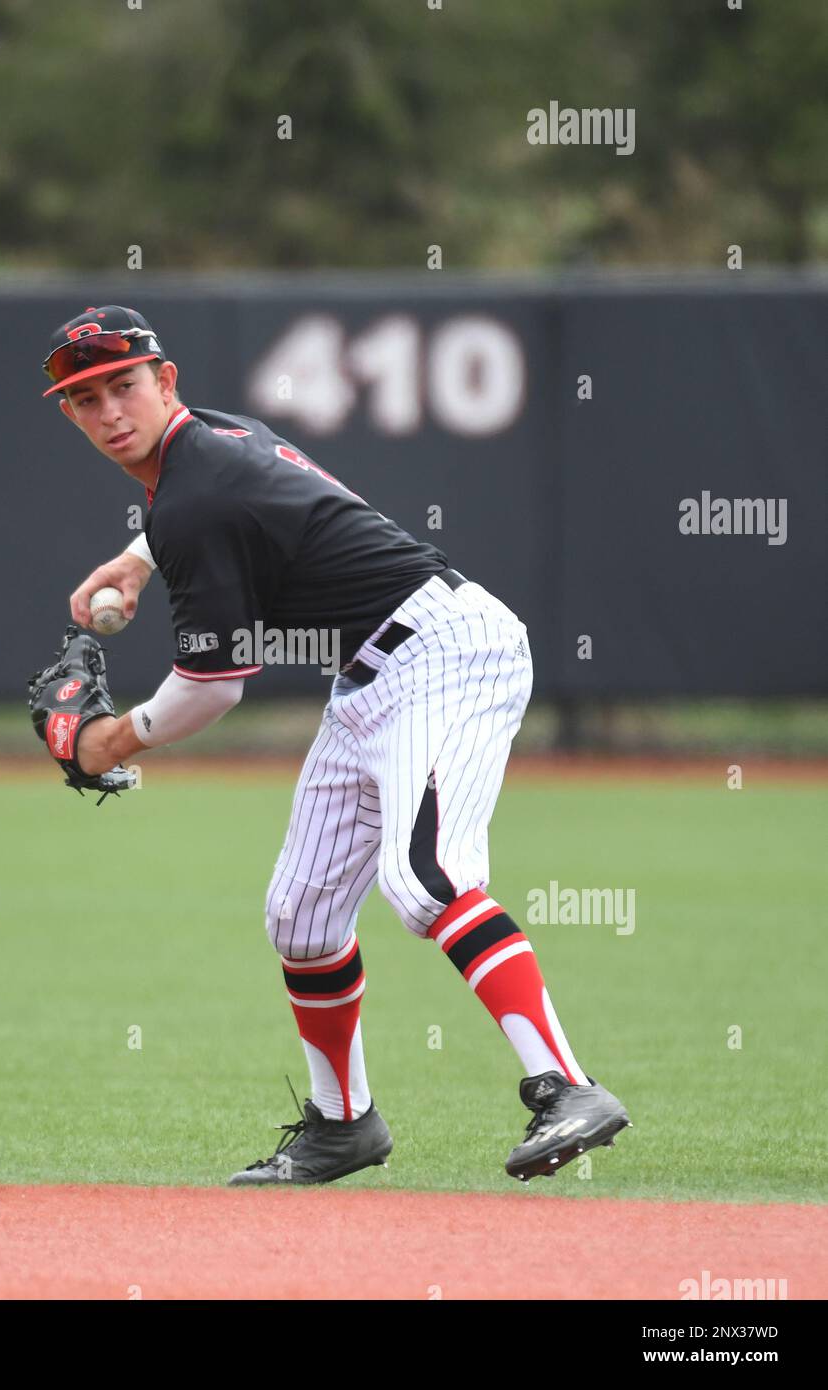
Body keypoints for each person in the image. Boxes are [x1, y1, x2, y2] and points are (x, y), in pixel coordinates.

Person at [39, 304, 631, 1185]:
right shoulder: (211, 443)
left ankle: (570, 1087)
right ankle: (342, 1125)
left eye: (123, 386)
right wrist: (137, 558)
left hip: (445, 650)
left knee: (424, 879)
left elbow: (211, 691)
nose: (109, 412)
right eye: (85, 399)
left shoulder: (192, 498)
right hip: (369, 676)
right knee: (302, 916)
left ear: (165, 382)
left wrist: (103, 744)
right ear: (69, 414)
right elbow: (220, 507)